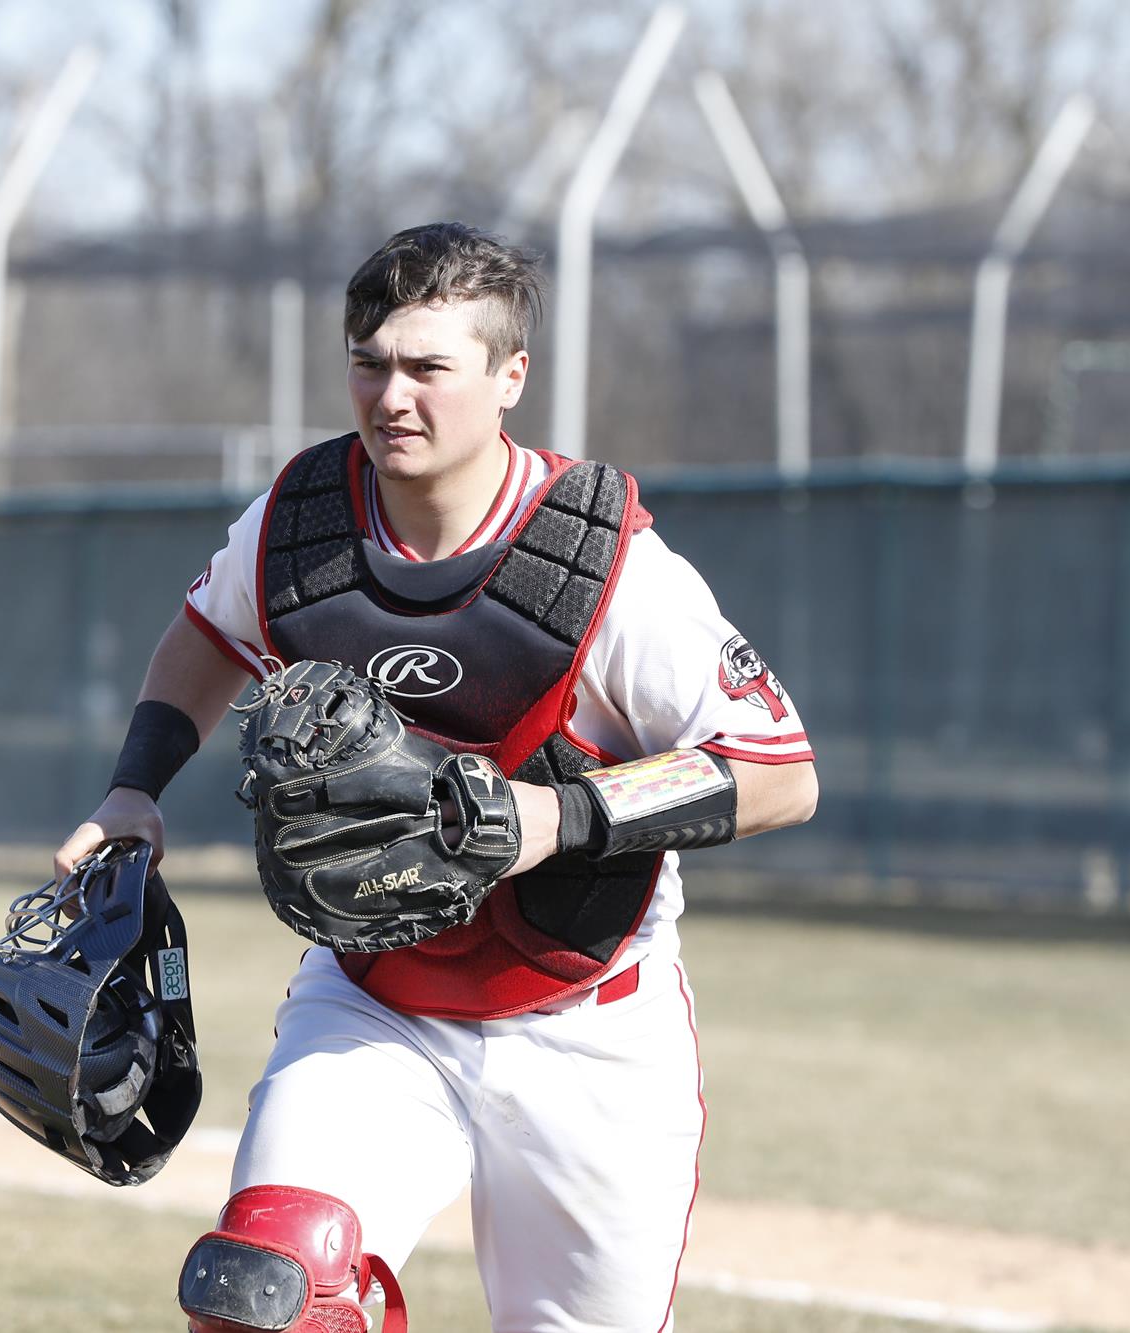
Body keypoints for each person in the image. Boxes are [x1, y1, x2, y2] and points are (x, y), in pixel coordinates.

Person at [53, 222, 818, 1331]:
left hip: (585, 1025)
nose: (390, 396)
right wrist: (134, 786)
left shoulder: (607, 570)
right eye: (369, 361)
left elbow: (777, 772)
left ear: (509, 377)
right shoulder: (301, 524)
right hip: (373, 1007)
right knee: (267, 1291)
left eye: (427, 367)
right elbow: (206, 634)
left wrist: (562, 815)